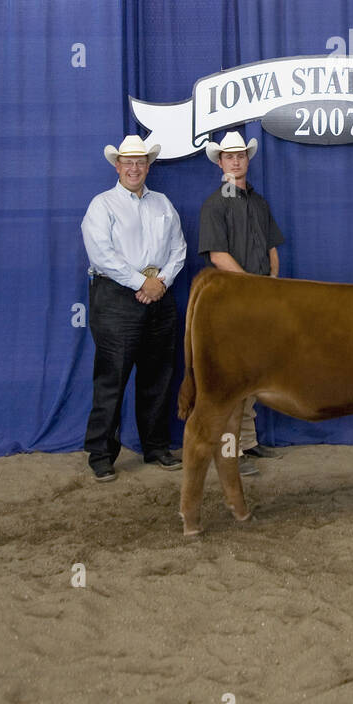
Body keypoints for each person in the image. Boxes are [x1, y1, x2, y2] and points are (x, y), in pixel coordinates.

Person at [81, 134, 186, 481]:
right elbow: (102, 254)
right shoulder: (102, 205)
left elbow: (179, 248)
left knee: (158, 376)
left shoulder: (163, 204)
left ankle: (155, 446)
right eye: (129, 162)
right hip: (116, 298)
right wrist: (143, 283)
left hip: (160, 295)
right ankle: (101, 452)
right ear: (118, 165)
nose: (135, 168)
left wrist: (162, 282)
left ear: (148, 166)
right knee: (112, 378)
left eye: (141, 162)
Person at [198, 130, 285, 471]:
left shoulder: (259, 203)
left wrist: (273, 283)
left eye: (240, 155)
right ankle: (229, 451)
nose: (235, 160)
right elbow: (219, 256)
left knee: (254, 376)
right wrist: (255, 287)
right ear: (220, 162)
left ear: (247, 160)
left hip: (261, 297)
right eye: (229, 156)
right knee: (233, 379)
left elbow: (271, 248)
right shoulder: (215, 204)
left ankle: (247, 443)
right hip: (235, 301)